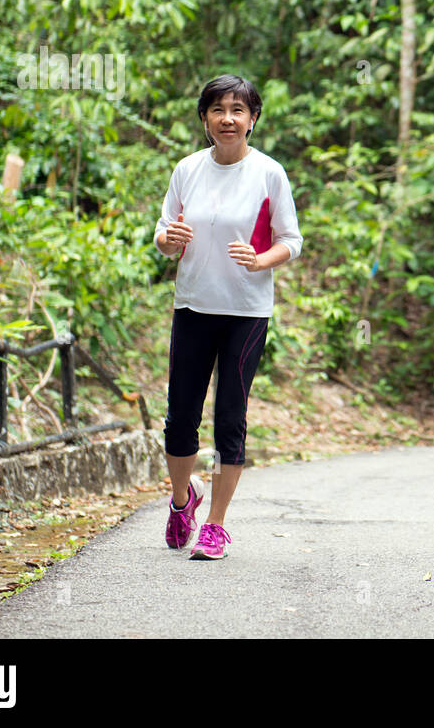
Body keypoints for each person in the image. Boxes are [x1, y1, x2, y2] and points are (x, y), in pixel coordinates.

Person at [153, 74, 303, 559]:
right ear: (204, 119)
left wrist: (260, 261)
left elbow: (292, 241)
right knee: (180, 419)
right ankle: (183, 500)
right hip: (193, 305)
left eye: (238, 110)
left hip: (246, 312)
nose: (228, 119)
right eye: (218, 110)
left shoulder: (269, 174)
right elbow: (164, 231)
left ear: (253, 119)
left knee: (229, 418)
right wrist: (167, 241)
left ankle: (215, 525)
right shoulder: (187, 170)